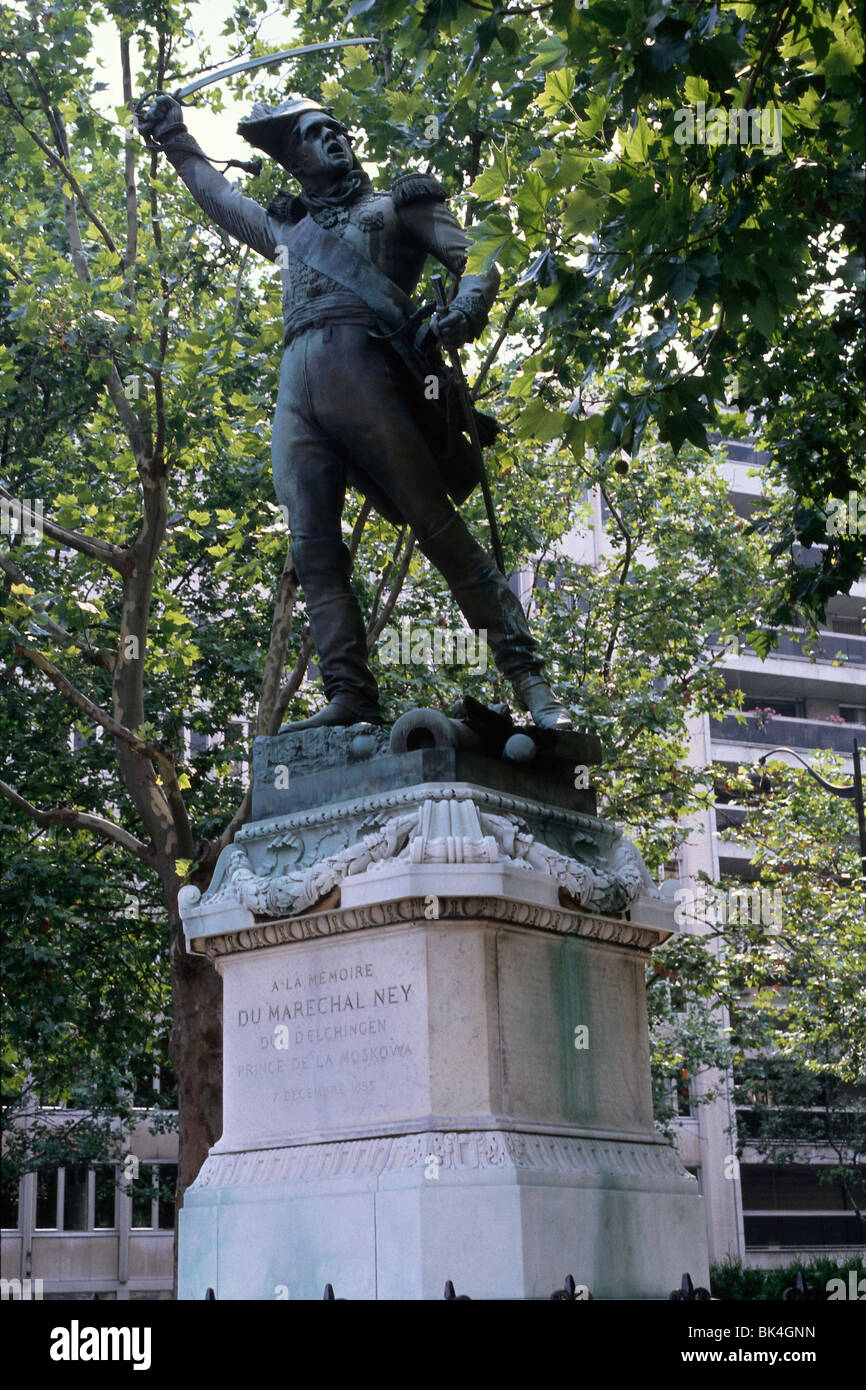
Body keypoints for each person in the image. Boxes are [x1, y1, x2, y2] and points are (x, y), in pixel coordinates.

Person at [137, 92, 571, 730]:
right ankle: (349, 694)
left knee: (438, 528)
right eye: (315, 134)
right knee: (312, 547)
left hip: (369, 373)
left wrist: (468, 308)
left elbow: (477, 258)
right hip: (298, 388)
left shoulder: (398, 205)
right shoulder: (286, 229)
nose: (332, 138)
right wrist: (176, 139)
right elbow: (221, 199)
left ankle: (532, 685)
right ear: (294, 156)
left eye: (336, 129)